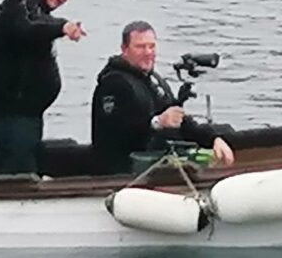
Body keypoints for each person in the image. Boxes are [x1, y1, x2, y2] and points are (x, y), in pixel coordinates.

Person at [0, 0, 83, 175]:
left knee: (28, 159)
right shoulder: (19, 4)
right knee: (19, 170)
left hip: (27, 111)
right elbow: (28, 28)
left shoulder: (37, 8)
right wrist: (62, 27)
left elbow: (39, 24)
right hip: (8, 109)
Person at [89, 22, 234, 172]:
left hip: (154, 160)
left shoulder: (153, 80)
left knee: (224, 130)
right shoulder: (113, 83)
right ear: (124, 49)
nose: (148, 52)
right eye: (140, 47)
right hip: (122, 168)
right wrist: (157, 122)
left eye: (151, 46)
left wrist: (213, 139)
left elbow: (180, 120)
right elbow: (117, 132)